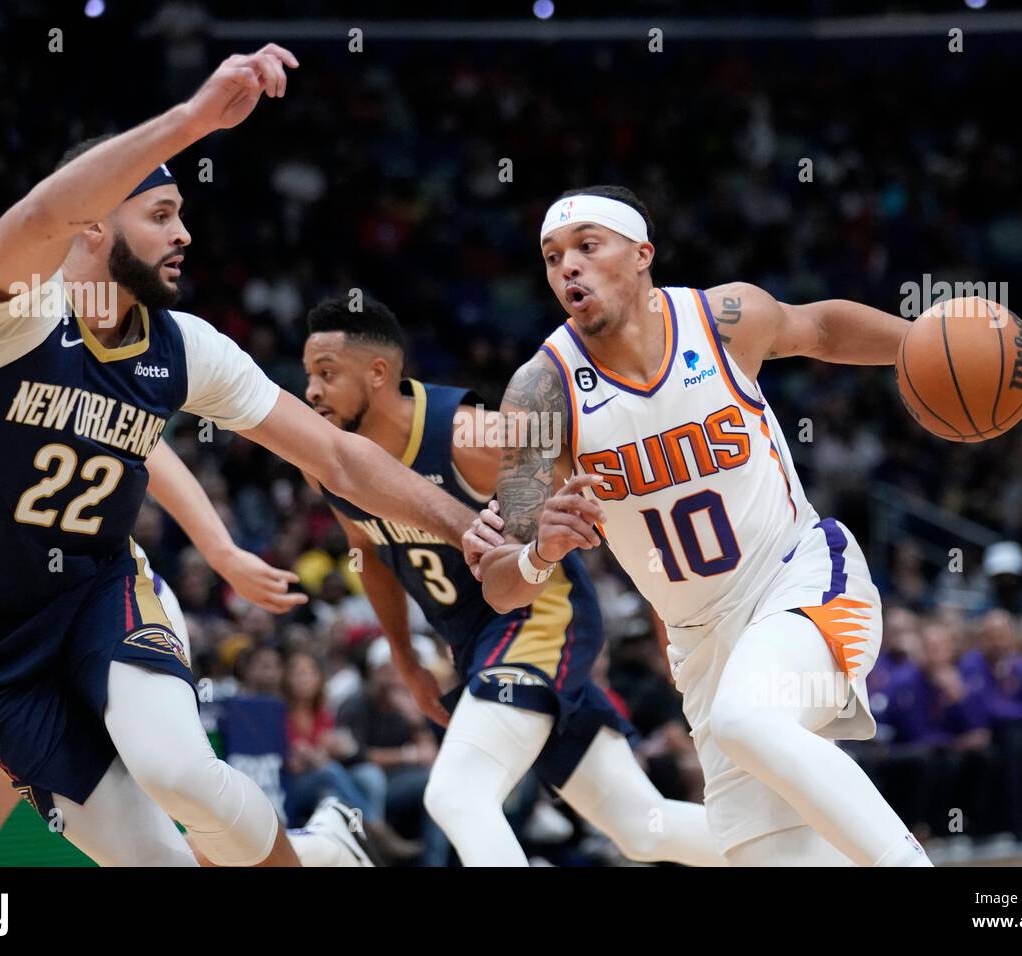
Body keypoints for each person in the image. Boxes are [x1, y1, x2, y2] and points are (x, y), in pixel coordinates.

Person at [0, 46, 479, 867]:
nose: (185, 232)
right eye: (164, 212)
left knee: (181, 774)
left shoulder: (185, 347)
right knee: (153, 862)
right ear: (95, 221)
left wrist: (468, 527)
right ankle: (324, 852)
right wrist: (194, 117)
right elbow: (35, 219)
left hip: (101, 590)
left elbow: (337, 459)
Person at [466, 185, 1022, 866]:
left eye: (588, 247)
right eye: (553, 255)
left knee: (752, 717)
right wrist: (540, 551)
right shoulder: (541, 392)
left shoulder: (723, 318)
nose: (568, 266)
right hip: (702, 651)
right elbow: (502, 588)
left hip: (800, 582)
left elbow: (822, 330)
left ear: (641, 254)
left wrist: (959, 346)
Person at [303, 294, 720, 865]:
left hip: (540, 615)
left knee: (456, 794)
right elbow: (366, 553)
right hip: (479, 645)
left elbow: (607, 493)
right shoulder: (329, 463)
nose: (312, 392)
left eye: (327, 375)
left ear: (378, 374)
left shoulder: (468, 435)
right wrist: (403, 658)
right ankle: (816, 854)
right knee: (642, 828)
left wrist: (665, 612)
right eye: (308, 376)